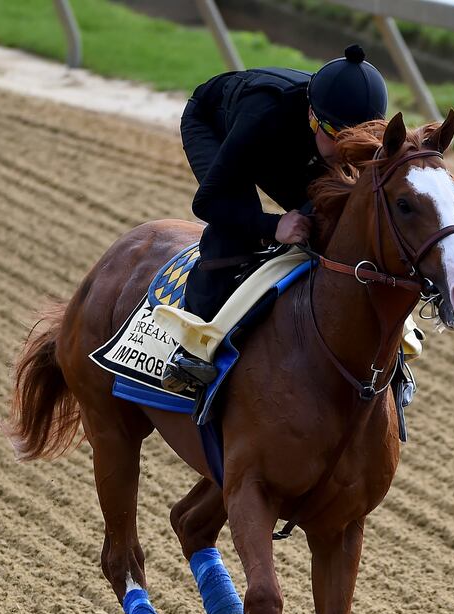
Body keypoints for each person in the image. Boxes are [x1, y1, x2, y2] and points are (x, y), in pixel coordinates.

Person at [163, 44, 388, 393]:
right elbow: (208, 202)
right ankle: (193, 348)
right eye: (339, 137)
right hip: (216, 124)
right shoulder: (264, 114)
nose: (347, 150)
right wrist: (273, 227)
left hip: (286, 141)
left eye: (358, 140)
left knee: (329, 215)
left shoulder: (327, 123)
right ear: (313, 117)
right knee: (237, 225)